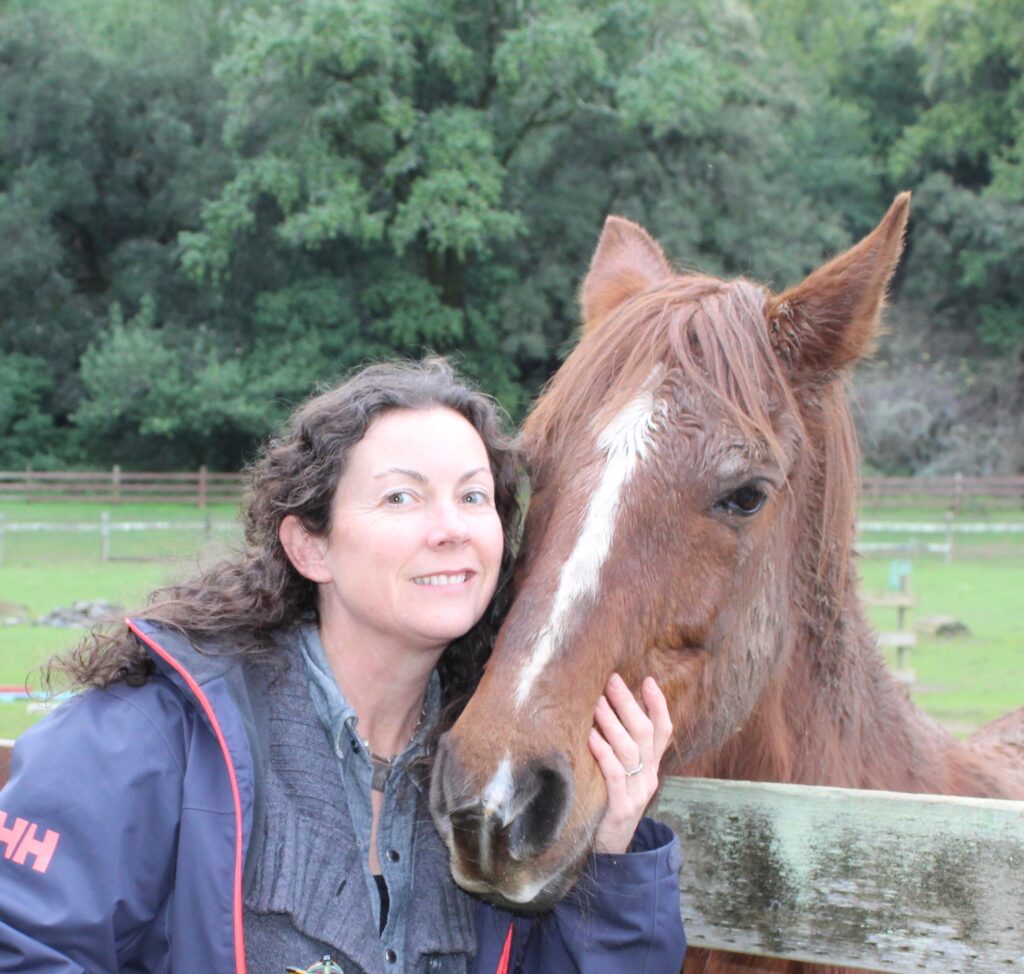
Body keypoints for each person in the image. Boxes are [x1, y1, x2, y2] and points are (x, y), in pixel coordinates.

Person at [0, 358, 686, 973]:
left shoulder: (492, 770)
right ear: (310, 548)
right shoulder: (152, 734)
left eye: (474, 496)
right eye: (401, 497)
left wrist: (612, 858)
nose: (451, 526)